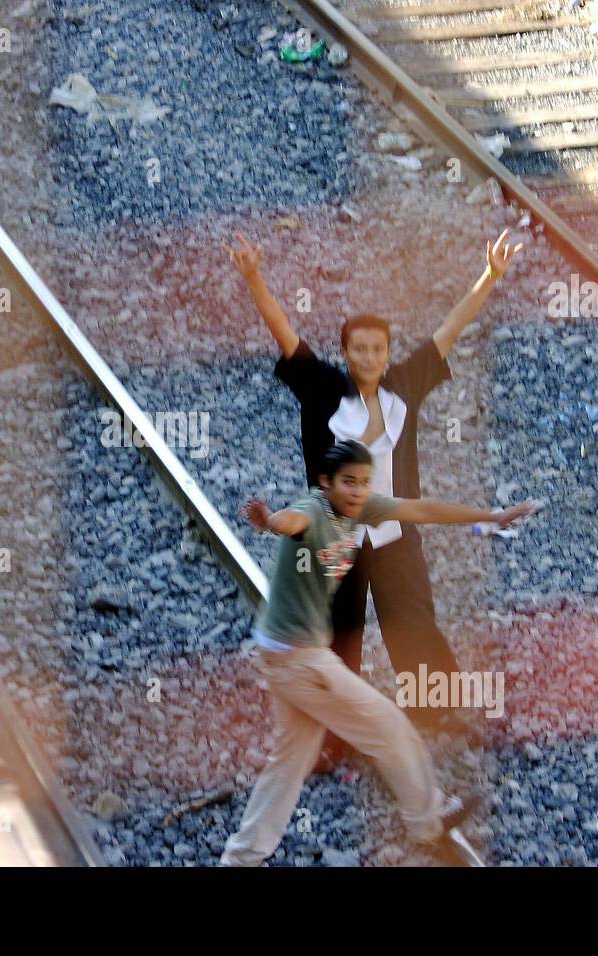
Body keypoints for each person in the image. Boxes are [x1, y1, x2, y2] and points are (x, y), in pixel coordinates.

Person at [225, 229, 523, 755]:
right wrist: (253, 277)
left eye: (377, 349)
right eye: (358, 349)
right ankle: (336, 738)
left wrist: (491, 276)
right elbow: (283, 332)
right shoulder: (323, 389)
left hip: (395, 534)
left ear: (387, 354)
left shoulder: (405, 385)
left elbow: (450, 329)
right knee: (341, 637)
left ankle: (432, 716)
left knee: (414, 626)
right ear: (344, 352)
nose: (368, 357)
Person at [220, 441, 535, 866]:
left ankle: (238, 860)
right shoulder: (313, 512)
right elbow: (289, 522)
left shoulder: (360, 508)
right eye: (348, 482)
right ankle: (428, 822)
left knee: (289, 763)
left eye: (365, 483)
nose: (357, 491)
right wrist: (267, 521)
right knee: (390, 727)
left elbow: (421, 510)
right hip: (301, 661)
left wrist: (492, 516)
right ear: (325, 483)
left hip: (283, 656)